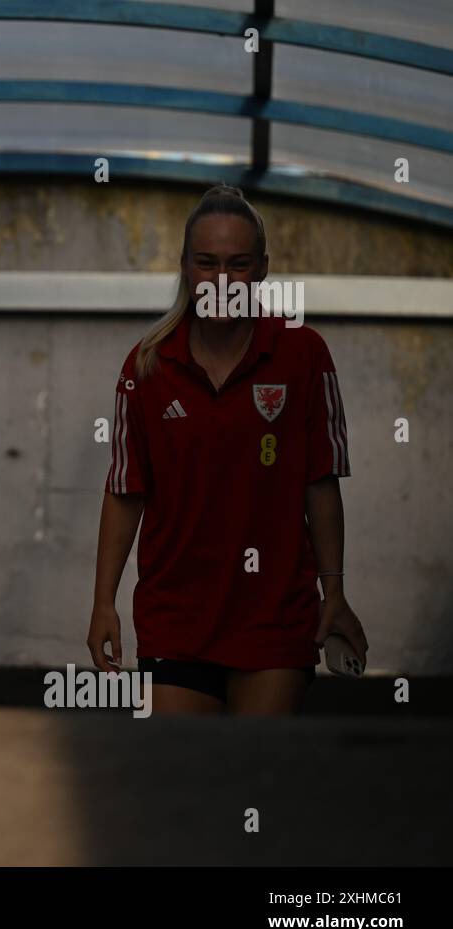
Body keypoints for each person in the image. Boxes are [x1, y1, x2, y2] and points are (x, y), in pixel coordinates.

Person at [87, 185, 367, 715]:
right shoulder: (146, 366)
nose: (221, 281)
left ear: (262, 268)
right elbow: (125, 493)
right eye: (206, 263)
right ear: (185, 267)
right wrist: (104, 602)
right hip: (176, 620)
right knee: (182, 785)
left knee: (255, 779)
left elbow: (320, 482)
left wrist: (335, 594)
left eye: (238, 264)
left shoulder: (304, 355)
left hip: (276, 618)